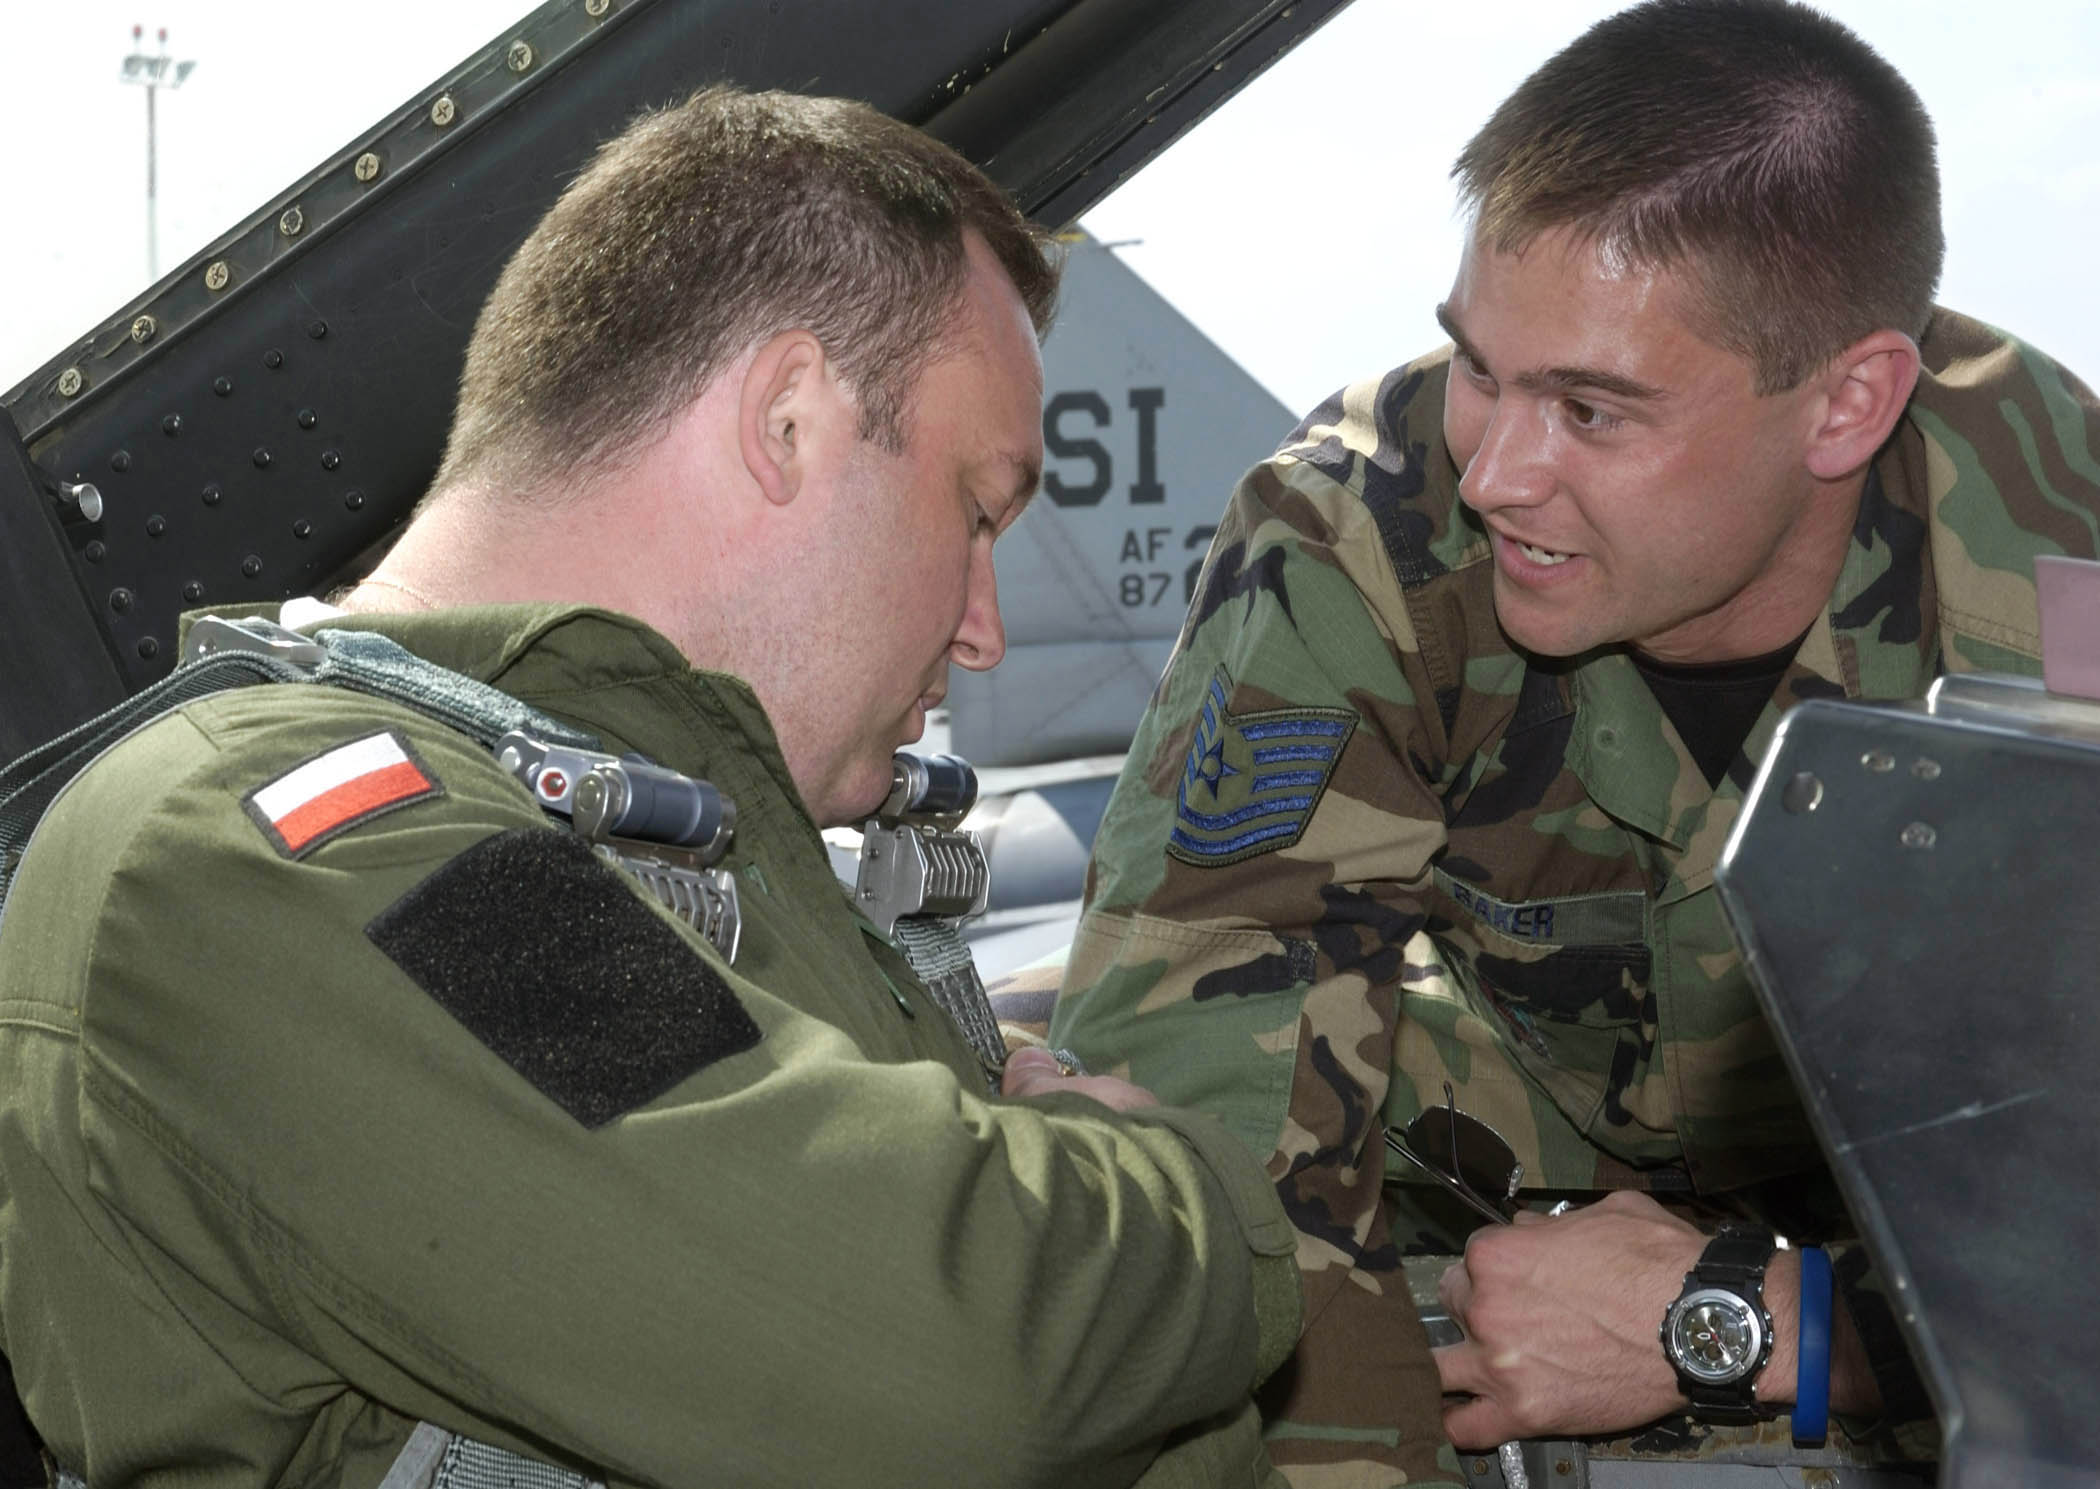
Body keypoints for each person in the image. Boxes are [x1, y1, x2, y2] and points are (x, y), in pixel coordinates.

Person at [0, 87, 1304, 1487]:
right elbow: (961, 1335)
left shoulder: (666, 830)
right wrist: (1188, 1192)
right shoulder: (307, 842)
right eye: (975, 511)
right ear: (788, 420)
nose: (984, 625)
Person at [1048, 0, 2100, 1482]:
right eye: (1479, 366)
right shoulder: (1366, 526)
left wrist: (1770, 1324)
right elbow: (1219, 1116)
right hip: (1509, 1112)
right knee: (1065, 1129)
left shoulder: (2071, 588)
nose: (1494, 471)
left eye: (1592, 412)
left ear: (1849, 401)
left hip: (1926, 1196)